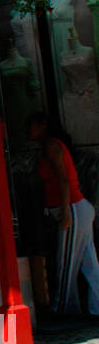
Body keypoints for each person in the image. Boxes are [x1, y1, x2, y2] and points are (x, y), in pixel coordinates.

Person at [27, 112, 99, 319]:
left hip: (72, 208)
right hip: (76, 208)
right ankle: (94, 308)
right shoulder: (51, 146)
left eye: (31, 125)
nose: (28, 131)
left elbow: (63, 180)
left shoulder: (51, 146)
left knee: (65, 263)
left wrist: (66, 213)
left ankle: (62, 309)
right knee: (89, 263)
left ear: (43, 125)